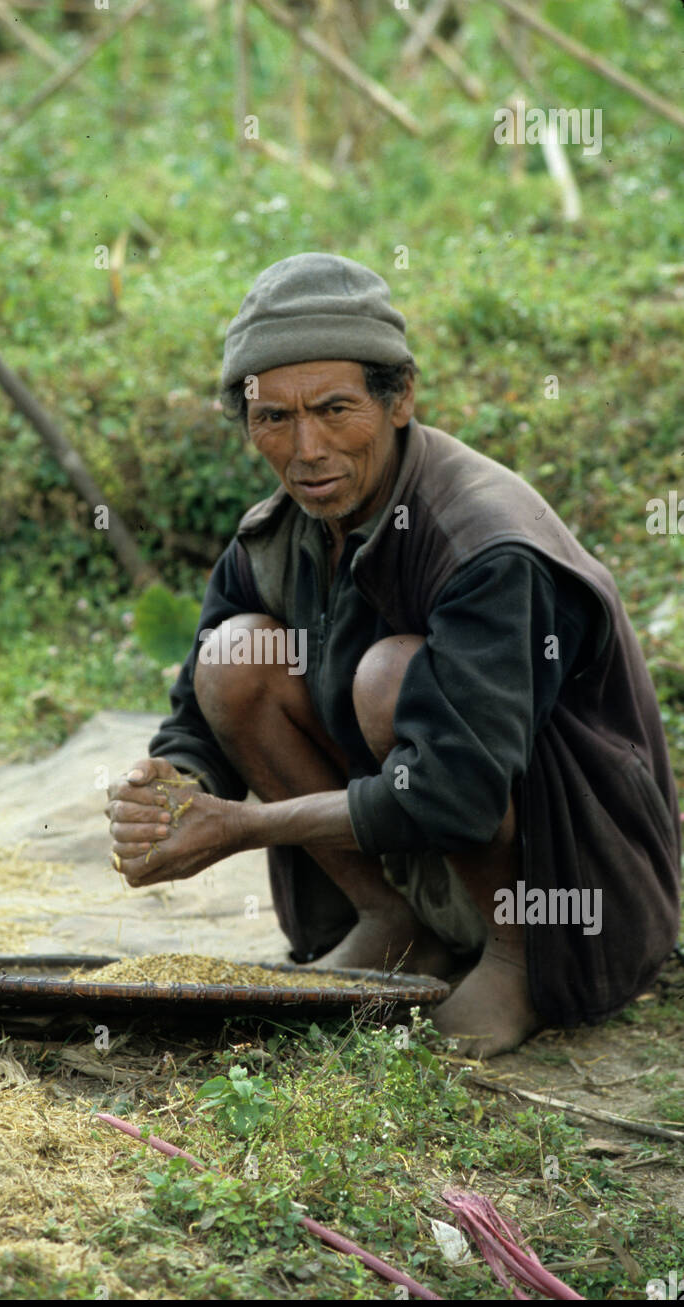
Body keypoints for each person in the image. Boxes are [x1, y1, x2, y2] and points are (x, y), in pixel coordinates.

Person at [106, 252, 680, 1057]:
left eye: (336, 409)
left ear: (400, 397)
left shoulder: (486, 544)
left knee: (391, 678)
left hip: (574, 890)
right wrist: (172, 791)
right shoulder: (272, 539)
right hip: (417, 857)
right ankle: (396, 925)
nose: (306, 449)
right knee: (233, 657)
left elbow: (455, 794)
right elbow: (196, 718)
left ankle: (514, 961)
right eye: (273, 417)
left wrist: (240, 828)